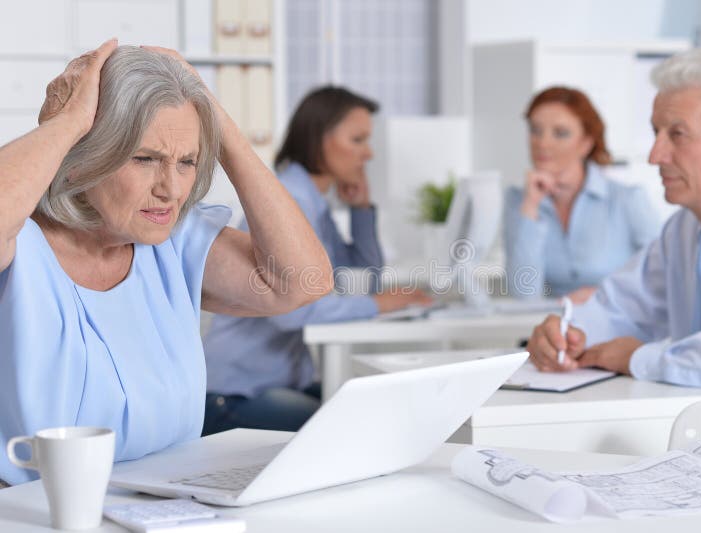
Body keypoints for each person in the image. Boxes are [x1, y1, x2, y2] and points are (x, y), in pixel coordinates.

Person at [0, 41, 333, 486]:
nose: (171, 189)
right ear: (82, 158)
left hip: (173, 508)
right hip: (40, 514)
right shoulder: (19, 244)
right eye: (144, 158)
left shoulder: (174, 242)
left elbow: (302, 282)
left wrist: (220, 126)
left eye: (187, 162)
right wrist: (69, 123)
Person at [527, 48, 701, 405]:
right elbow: (616, 309)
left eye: (678, 135)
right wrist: (563, 335)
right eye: (656, 132)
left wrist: (639, 358)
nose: (656, 155)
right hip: (699, 446)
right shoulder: (683, 231)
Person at [202, 86, 431, 434]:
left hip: (278, 384)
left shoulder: (313, 203)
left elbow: (363, 277)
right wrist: (376, 305)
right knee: (352, 429)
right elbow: (291, 312)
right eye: (357, 140)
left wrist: (361, 211)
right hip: (233, 396)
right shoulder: (288, 202)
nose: (368, 154)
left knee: (370, 410)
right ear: (318, 139)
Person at [504, 87, 661, 304]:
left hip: (617, 327)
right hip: (549, 329)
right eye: (535, 130)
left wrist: (602, 295)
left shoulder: (627, 200)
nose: (542, 143)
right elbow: (523, 295)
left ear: (586, 143)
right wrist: (531, 206)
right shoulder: (518, 201)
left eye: (560, 133)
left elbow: (664, 280)